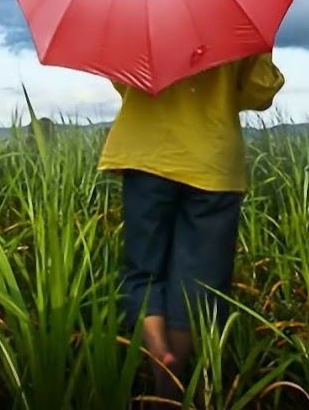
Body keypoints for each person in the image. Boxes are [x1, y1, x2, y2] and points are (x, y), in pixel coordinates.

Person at [96, 51, 286, 400]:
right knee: (198, 280)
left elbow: (126, 81)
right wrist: (261, 48)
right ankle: (170, 386)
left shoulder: (142, 9)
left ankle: (157, 352)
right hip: (211, 161)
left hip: (146, 154)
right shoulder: (240, 21)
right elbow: (258, 95)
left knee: (142, 270)